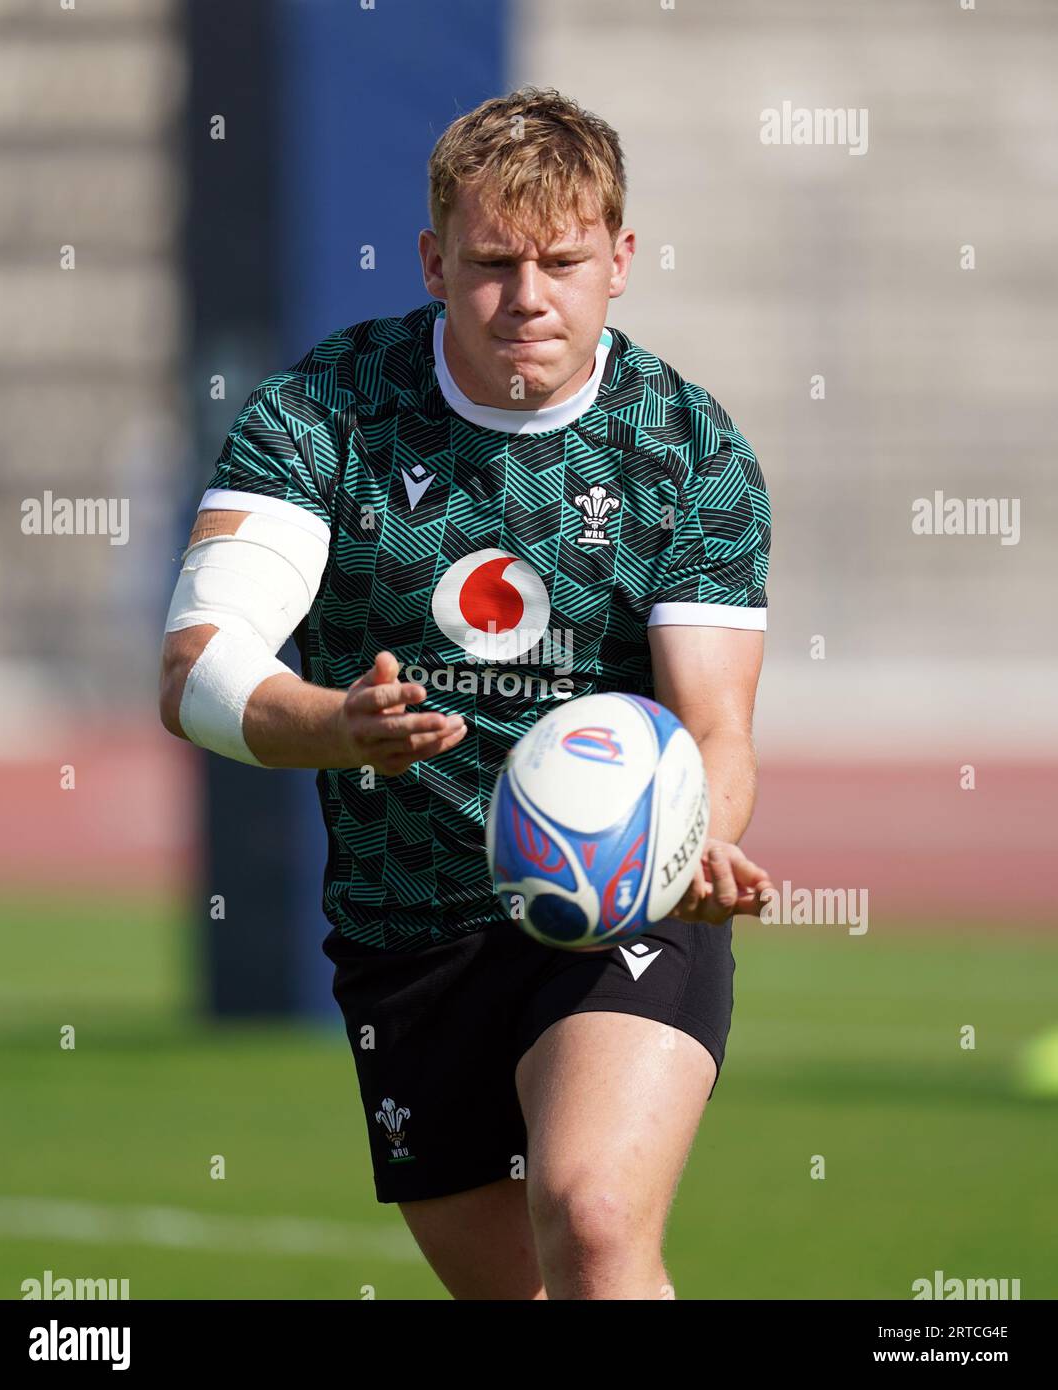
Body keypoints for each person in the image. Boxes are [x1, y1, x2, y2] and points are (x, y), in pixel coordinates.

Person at [159, 86, 773, 1300]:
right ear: (435, 261)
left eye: (562, 260)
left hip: (618, 907)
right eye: (492, 262)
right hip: (408, 931)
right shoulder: (319, 417)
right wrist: (337, 725)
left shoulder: (688, 450)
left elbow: (715, 728)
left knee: (594, 1222)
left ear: (621, 262)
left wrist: (704, 836)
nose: (528, 297)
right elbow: (196, 668)